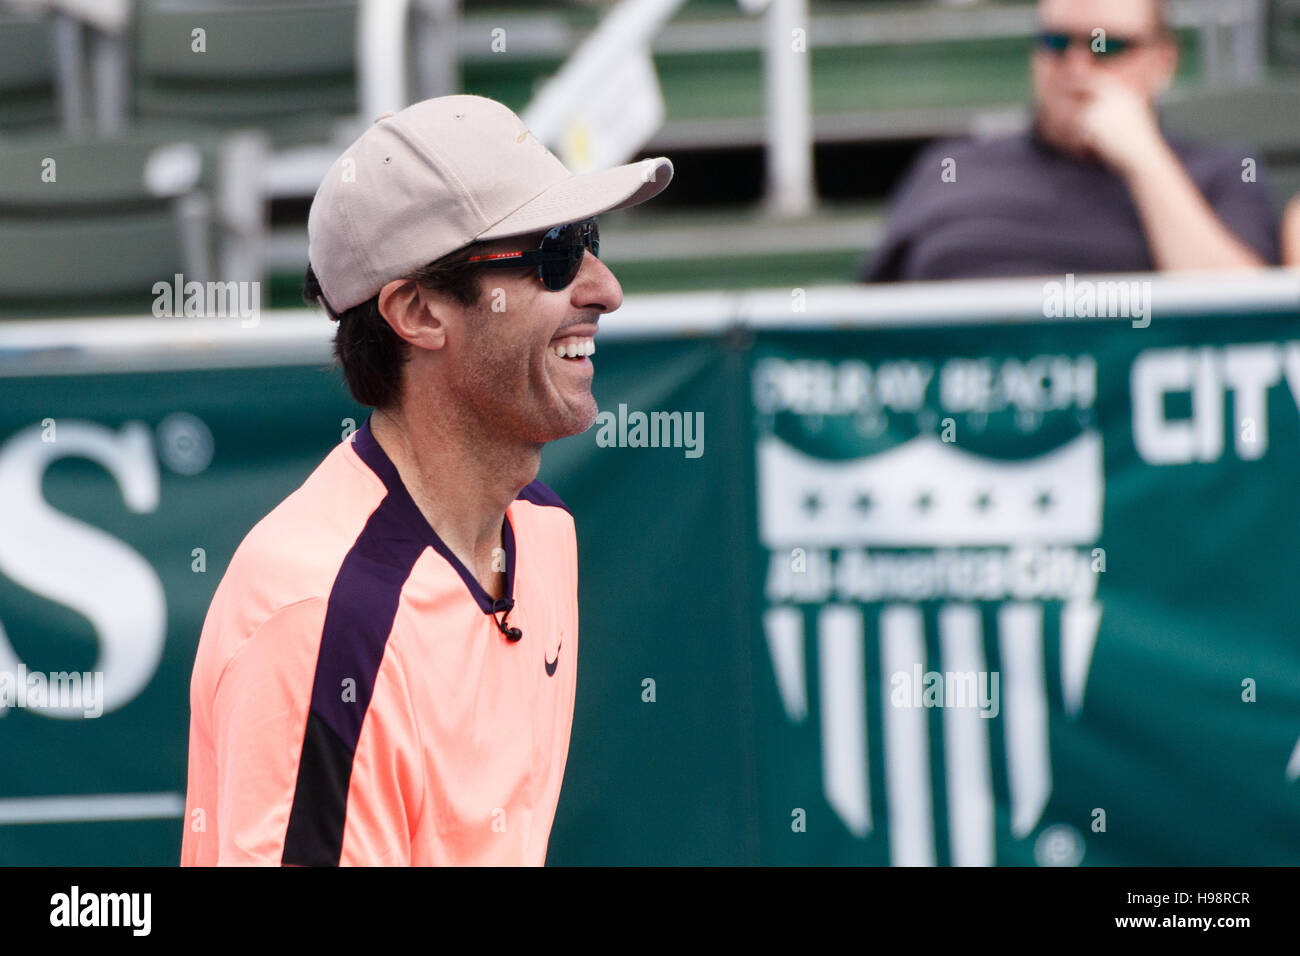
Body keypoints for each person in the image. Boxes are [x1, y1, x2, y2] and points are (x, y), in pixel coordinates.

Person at [180, 94, 673, 865]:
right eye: (552, 254)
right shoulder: (322, 615)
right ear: (417, 311)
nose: (605, 289)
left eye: (590, 241)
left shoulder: (541, 531)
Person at [862, 0, 1280, 282]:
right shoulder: (950, 169)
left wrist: (1145, 160)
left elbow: (1241, 324)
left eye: (1106, 47)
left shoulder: (1219, 173)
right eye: (1056, 43)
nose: (1076, 67)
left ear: (1163, 62)